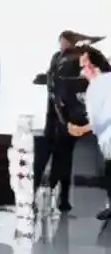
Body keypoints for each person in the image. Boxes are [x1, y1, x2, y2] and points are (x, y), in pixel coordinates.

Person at [33, 30, 105, 213]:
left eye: (64, 42)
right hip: (54, 114)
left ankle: (60, 198)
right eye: (61, 42)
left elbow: (96, 76)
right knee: (53, 155)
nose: (62, 45)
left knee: (63, 157)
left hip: (70, 115)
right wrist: (45, 79)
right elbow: (53, 78)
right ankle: (48, 196)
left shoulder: (83, 56)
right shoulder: (57, 57)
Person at [64, 45, 111, 219]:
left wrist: (82, 129)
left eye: (83, 66)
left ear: (92, 66)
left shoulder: (104, 84)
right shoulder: (97, 85)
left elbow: (105, 116)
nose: (81, 70)